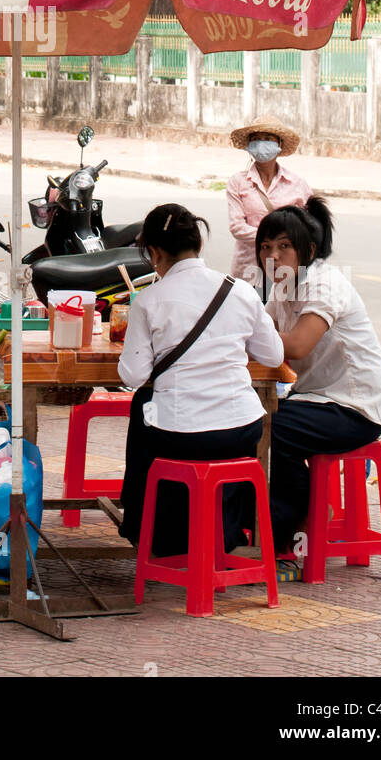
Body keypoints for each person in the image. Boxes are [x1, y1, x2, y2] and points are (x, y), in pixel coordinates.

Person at [118, 203, 284, 556]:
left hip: (182, 434)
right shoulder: (240, 291)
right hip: (242, 429)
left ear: (155, 253)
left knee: (141, 408)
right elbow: (273, 356)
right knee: (151, 413)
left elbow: (133, 375)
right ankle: (223, 535)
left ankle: (147, 530)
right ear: (198, 245)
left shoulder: (149, 300)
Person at [257, 197, 381, 557]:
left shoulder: (324, 283)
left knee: (270, 429)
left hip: (353, 409)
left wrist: (245, 337)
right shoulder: (283, 288)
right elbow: (262, 334)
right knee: (247, 420)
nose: (274, 257)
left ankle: (296, 522)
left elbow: (296, 345)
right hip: (314, 400)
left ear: (308, 249)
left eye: (284, 246)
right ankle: (268, 524)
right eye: (266, 248)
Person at [226, 117, 311, 287]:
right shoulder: (238, 182)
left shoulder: (297, 184)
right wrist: (276, 240)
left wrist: (278, 243)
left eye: (268, 139)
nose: (261, 143)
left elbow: (309, 226)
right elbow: (237, 227)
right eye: (256, 139)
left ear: (278, 145)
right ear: (249, 146)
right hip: (248, 270)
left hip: (285, 271)